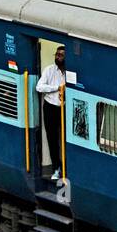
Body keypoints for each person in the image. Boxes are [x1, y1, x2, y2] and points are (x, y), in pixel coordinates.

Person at [34, 46, 67, 181]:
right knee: (52, 139)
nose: (58, 57)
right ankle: (56, 168)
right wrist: (57, 88)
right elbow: (39, 87)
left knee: (66, 139)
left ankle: (66, 168)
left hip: (64, 108)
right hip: (50, 107)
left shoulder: (69, 73)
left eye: (61, 55)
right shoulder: (49, 70)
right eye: (57, 54)